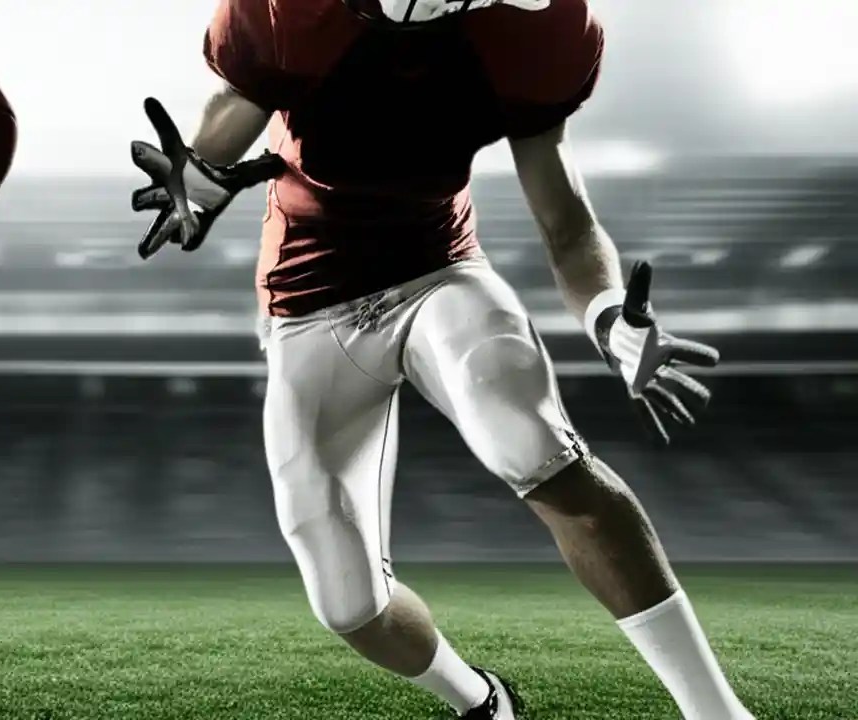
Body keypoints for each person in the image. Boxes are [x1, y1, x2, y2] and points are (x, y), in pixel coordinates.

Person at [130, 1, 753, 717]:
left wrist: (607, 314)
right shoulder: (287, 14)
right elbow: (226, 124)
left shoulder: (535, 29)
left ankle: (719, 714)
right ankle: (481, 700)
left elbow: (566, 220)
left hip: (438, 272)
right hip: (306, 304)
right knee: (348, 605)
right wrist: (199, 180)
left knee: (533, 442)